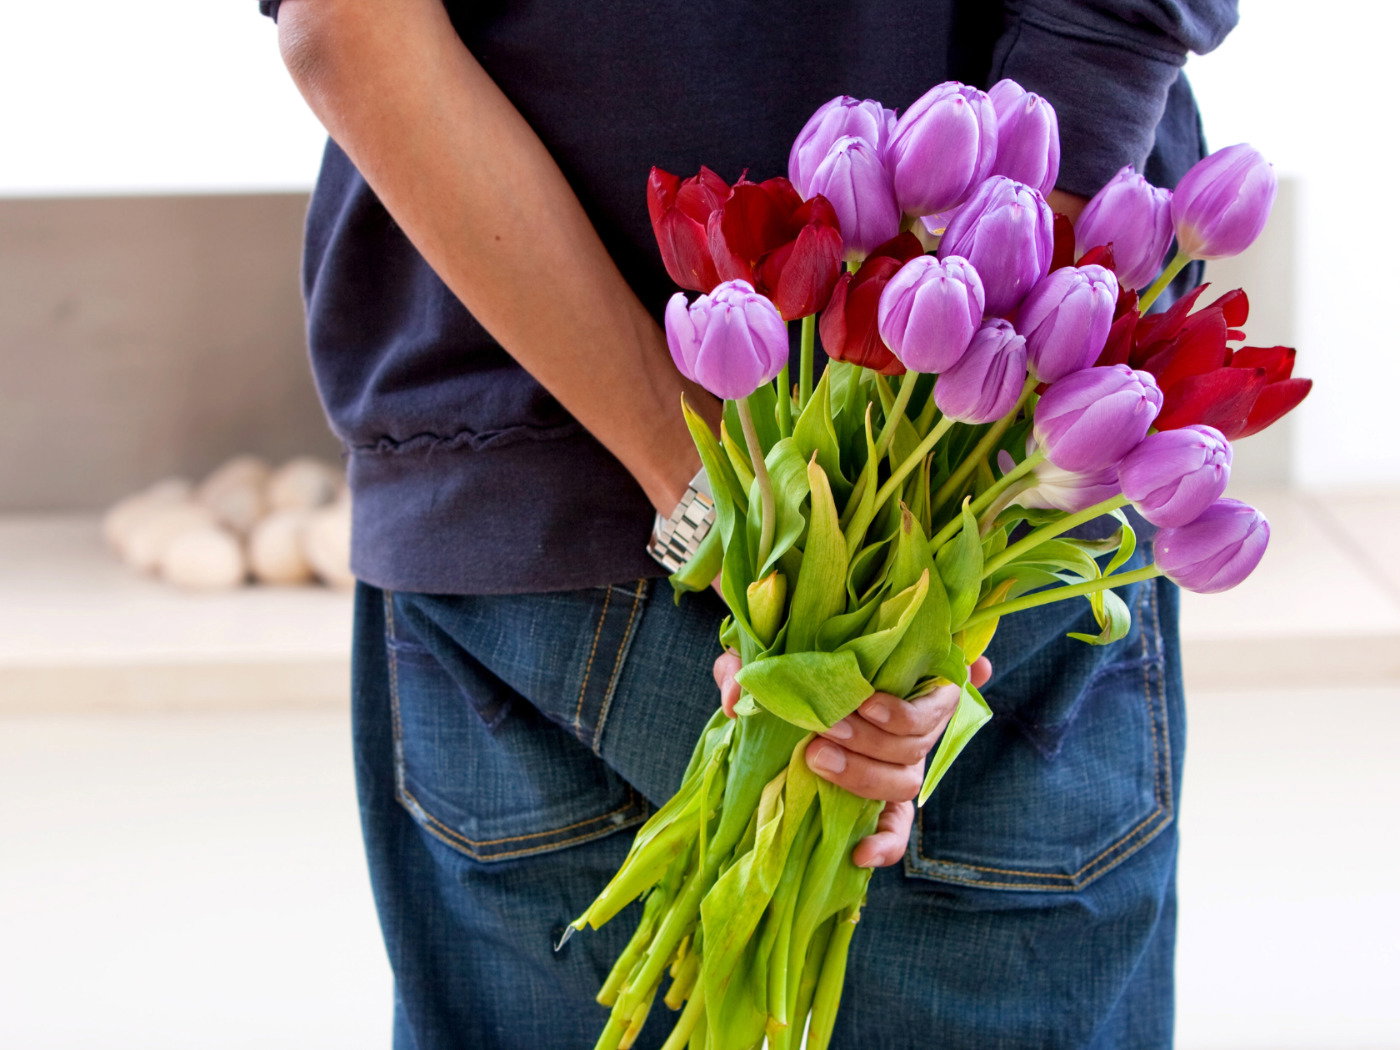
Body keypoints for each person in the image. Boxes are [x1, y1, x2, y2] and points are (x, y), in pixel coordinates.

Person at [262, 1, 1238, 1046]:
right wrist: (896, 547)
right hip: (1003, 465)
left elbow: (346, 25)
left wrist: (720, 499)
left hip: (522, 481)